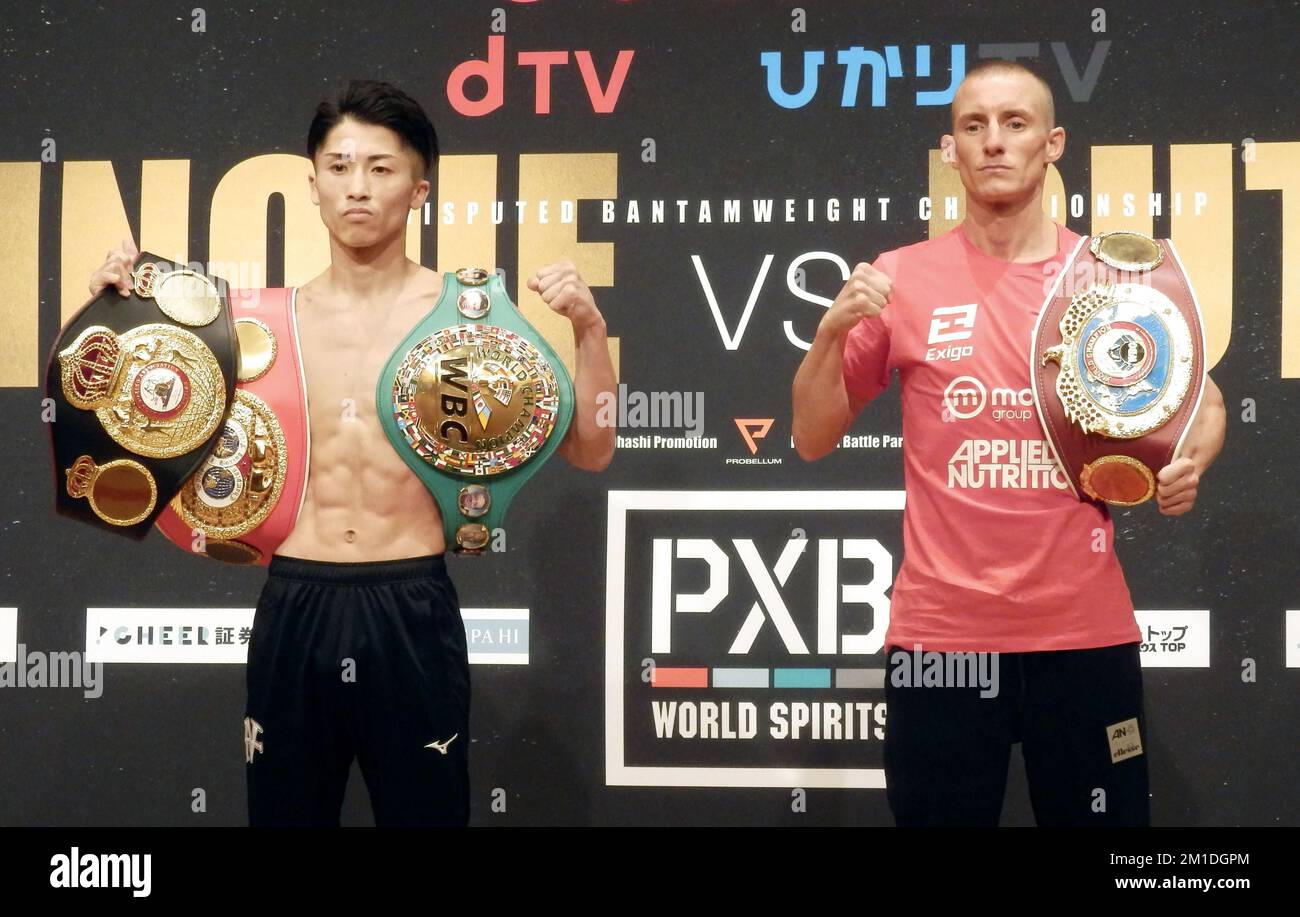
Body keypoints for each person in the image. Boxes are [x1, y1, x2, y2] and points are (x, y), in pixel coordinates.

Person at [88, 79, 617, 826]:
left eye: (379, 167)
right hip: (296, 605)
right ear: (312, 185)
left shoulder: (475, 324)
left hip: (412, 608)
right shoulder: (249, 327)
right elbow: (125, 409)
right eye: (337, 168)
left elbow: (593, 449)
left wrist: (590, 331)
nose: (357, 188)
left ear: (419, 188)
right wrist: (111, 315)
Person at [791, 59, 1226, 826]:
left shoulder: (1109, 278)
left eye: (1015, 123)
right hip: (941, 644)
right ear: (949, 149)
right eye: (973, 126)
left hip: (1083, 637)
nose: (994, 142)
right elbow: (812, 435)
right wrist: (830, 331)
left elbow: (1205, 397)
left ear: (1053, 143)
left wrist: (1190, 459)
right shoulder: (901, 279)